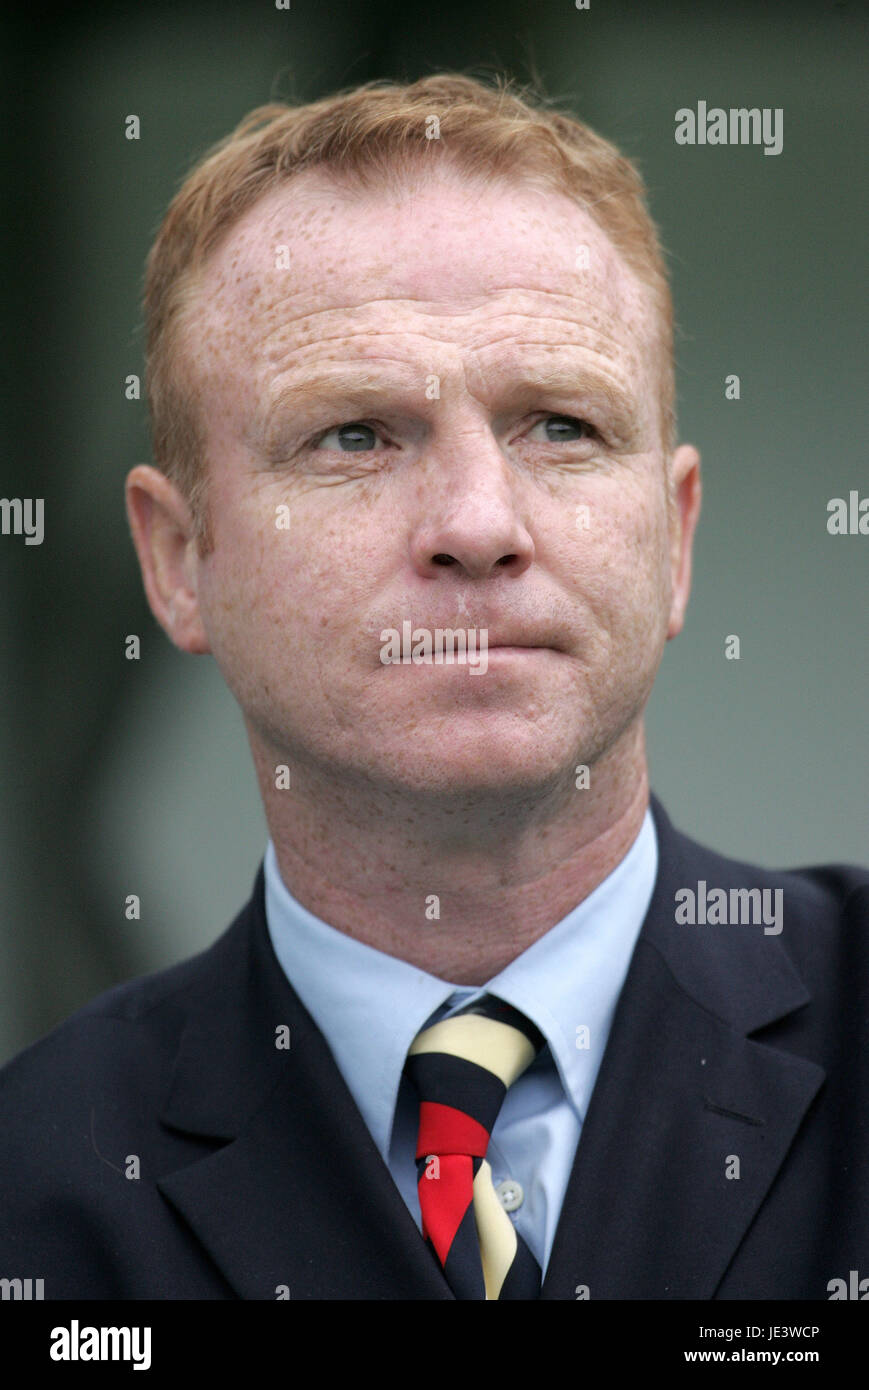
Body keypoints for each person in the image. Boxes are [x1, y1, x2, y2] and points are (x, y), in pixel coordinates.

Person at [1, 73, 866, 1302]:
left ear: (673, 538)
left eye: (559, 425)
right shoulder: (31, 1190)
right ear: (178, 560)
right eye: (354, 434)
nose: (476, 524)